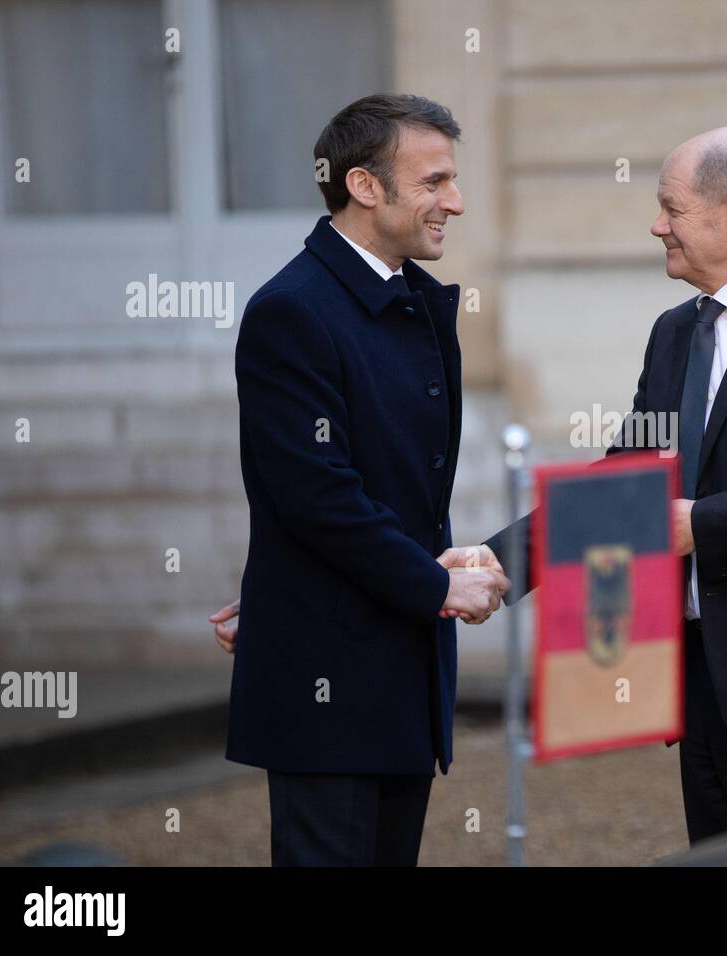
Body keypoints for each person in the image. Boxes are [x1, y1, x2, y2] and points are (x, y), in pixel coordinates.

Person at [483, 128, 727, 844]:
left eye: (670, 206)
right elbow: (624, 479)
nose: (656, 224)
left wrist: (707, 525)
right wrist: (498, 562)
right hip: (696, 681)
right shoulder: (674, 333)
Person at [223, 93, 507, 867]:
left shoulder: (410, 296)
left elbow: (389, 493)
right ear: (364, 186)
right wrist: (435, 586)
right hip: (330, 680)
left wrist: (430, 571)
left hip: (398, 666)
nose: (455, 201)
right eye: (434, 181)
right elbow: (318, 493)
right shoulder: (292, 311)